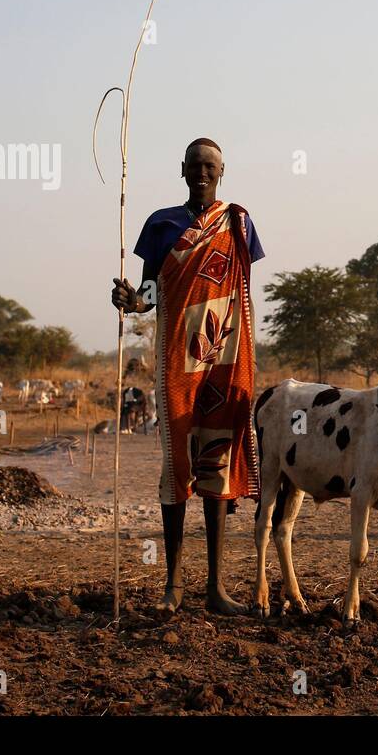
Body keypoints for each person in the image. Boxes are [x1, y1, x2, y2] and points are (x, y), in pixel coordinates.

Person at [110, 137, 265, 615]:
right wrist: (132, 301)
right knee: (177, 464)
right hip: (178, 358)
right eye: (195, 165)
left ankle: (217, 588)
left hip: (226, 357)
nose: (202, 173)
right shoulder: (161, 224)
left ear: (223, 171)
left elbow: (238, 290)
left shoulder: (238, 222)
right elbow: (151, 290)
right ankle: (173, 585)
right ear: (182, 170)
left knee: (217, 463)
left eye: (210, 166)